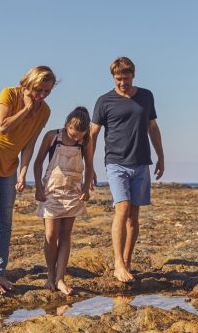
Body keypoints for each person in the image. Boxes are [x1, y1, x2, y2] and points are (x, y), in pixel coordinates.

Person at [0, 65, 55, 295]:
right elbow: (3, 126)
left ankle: (0, 272)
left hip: (9, 163)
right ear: (29, 83)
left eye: (47, 91)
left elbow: (29, 142)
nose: (42, 96)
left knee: (6, 218)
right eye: (39, 90)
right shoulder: (8, 93)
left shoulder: (44, 111)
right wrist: (26, 110)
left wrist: (23, 172)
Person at [87, 57, 164, 284]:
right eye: (118, 79)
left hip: (141, 162)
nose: (123, 83)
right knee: (122, 209)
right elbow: (92, 134)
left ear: (133, 75)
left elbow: (153, 127)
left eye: (126, 78)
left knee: (134, 217)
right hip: (116, 163)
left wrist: (161, 156)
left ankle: (128, 261)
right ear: (113, 77)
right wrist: (89, 167)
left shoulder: (146, 96)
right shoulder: (104, 101)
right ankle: (118, 264)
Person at [33, 106, 91, 295]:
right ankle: (50, 276)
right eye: (73, 135)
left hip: (73, 192)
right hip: (51, 191)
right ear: (67, 126)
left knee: (66, 235)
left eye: (79, 136)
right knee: (51, 234)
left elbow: (89, 166)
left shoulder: (85, 141)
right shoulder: (52, 136)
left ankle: (60, 278)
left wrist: (85, 188)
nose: (76, 139)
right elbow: (38, 162)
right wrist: (38, 188)